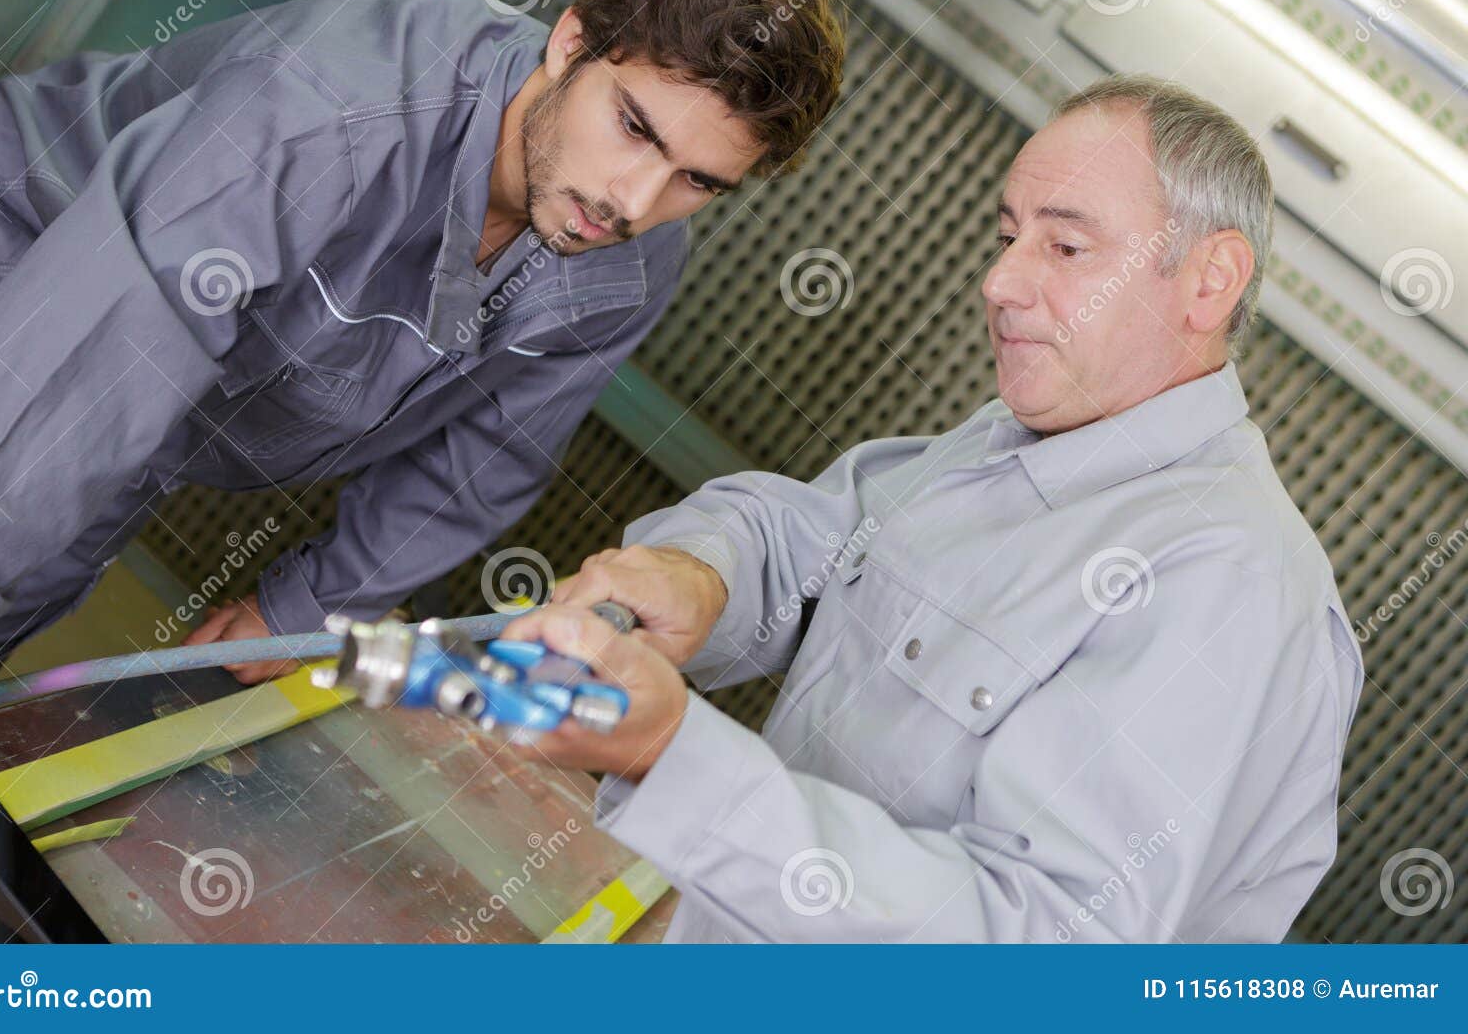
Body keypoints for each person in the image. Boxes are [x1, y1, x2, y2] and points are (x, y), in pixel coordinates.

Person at [0, 0, 846, 783]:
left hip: (135, 435)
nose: (632, 202)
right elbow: (93, 361)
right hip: (10, 321)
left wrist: (311, 600)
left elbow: (487, 451)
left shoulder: (627, 258)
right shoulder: (334, 109)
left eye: (698, 182)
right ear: (573, 38)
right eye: (633, 127)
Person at [503, 75, 1365, 942]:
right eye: (1004, 236)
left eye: (1064, 249)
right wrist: (700, 574)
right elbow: (816, 540)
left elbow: (1043, 946)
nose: (999, 282)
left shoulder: (1233, 583)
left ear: (1210, 280)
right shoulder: (1019, 439)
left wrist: (673, 757)